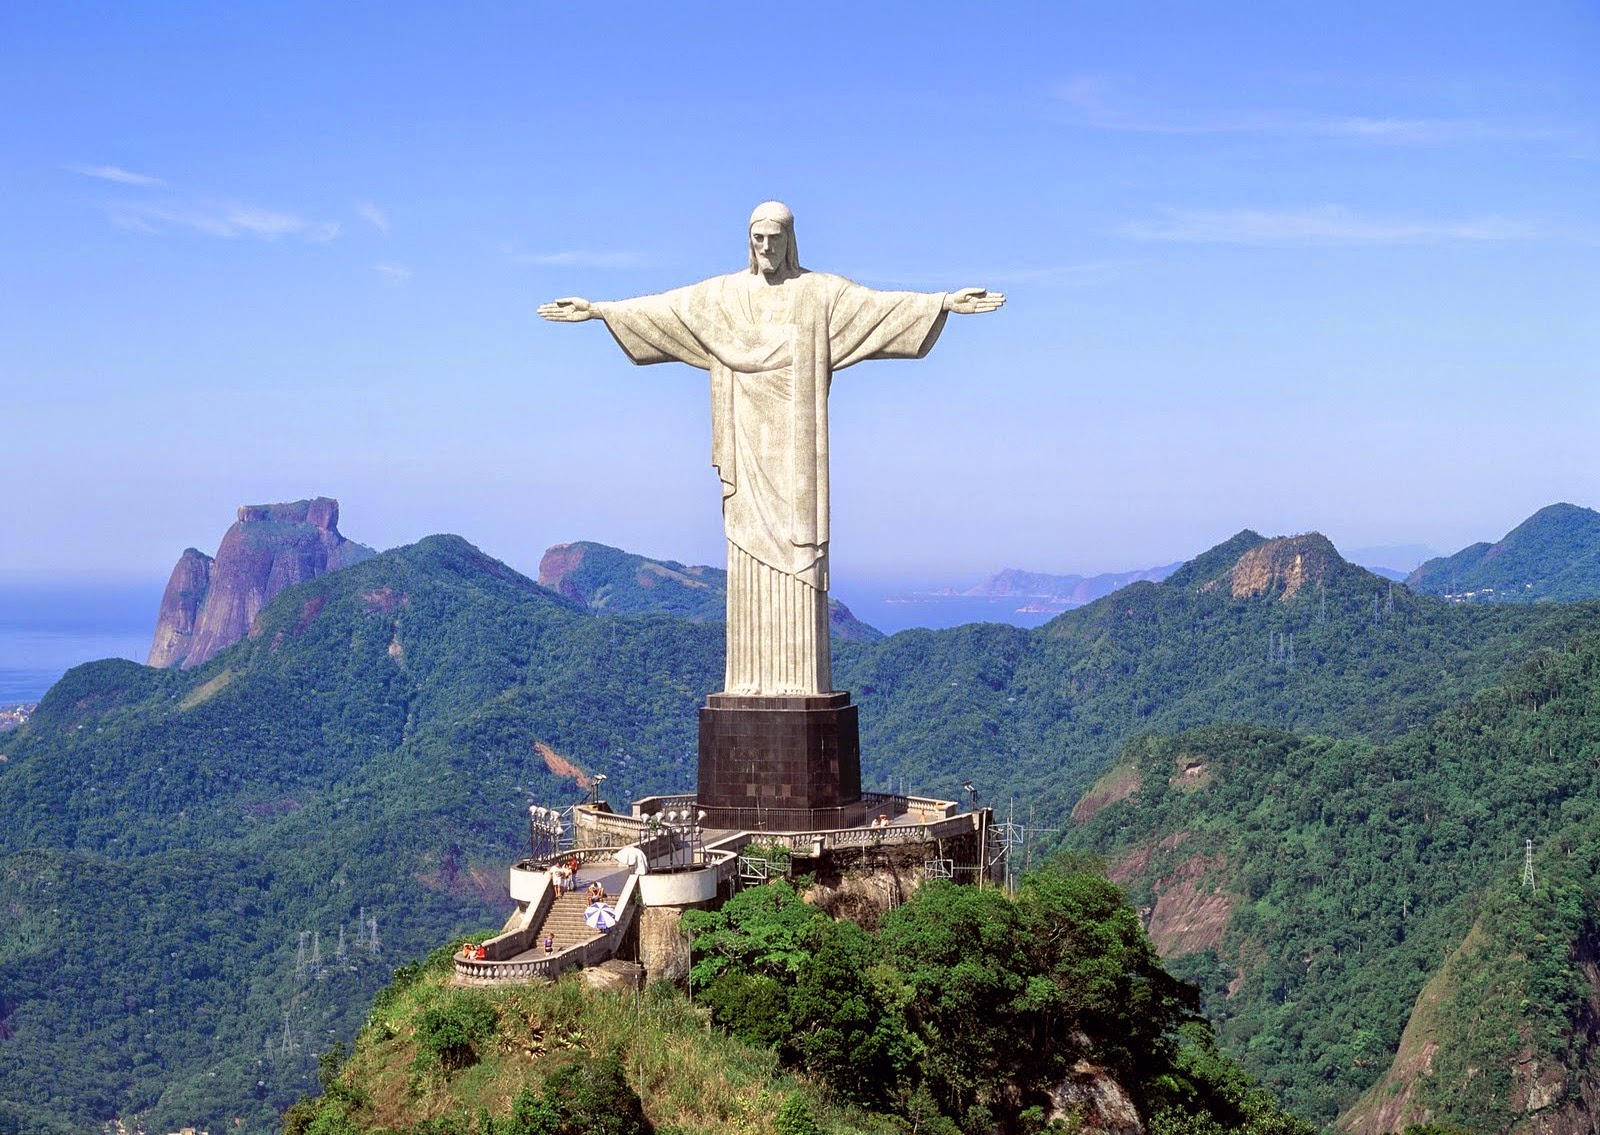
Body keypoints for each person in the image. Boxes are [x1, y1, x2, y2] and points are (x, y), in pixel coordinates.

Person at [539, 202, 1002, 696]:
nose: (765, 248)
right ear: (748, 240)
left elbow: (878, 307)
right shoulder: (723, 297)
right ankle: (749, 678)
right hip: (745, 445)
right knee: (746, 549)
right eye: (757, 238)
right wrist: (599, 310)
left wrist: (943, 303)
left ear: (790, 240)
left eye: (774, 238)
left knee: (799, 553)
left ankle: (799, 679)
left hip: (796, 457)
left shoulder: (819, 294)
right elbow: (666, 309)